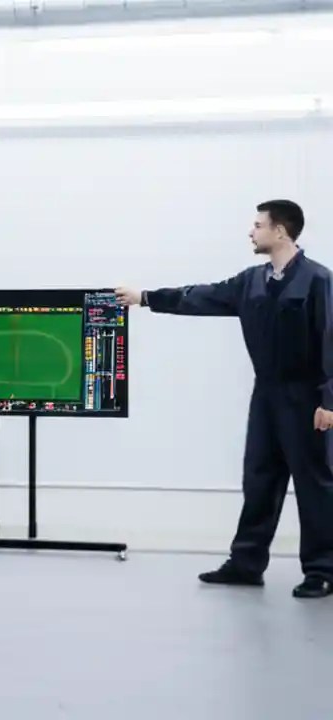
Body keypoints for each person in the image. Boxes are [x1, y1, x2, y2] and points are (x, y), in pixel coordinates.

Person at [116, 199, 333, 599]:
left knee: (314, 484)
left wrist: (329, 400)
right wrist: (145, 297)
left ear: (280, 231)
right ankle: (246, 564)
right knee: (259, 479)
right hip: (266, 396)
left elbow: (330, 341)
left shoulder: (318, 280)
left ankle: (322, 570)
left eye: (258, 225)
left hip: (307, 399)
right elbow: (201, 296)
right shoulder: (251, 282)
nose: (251, 231)